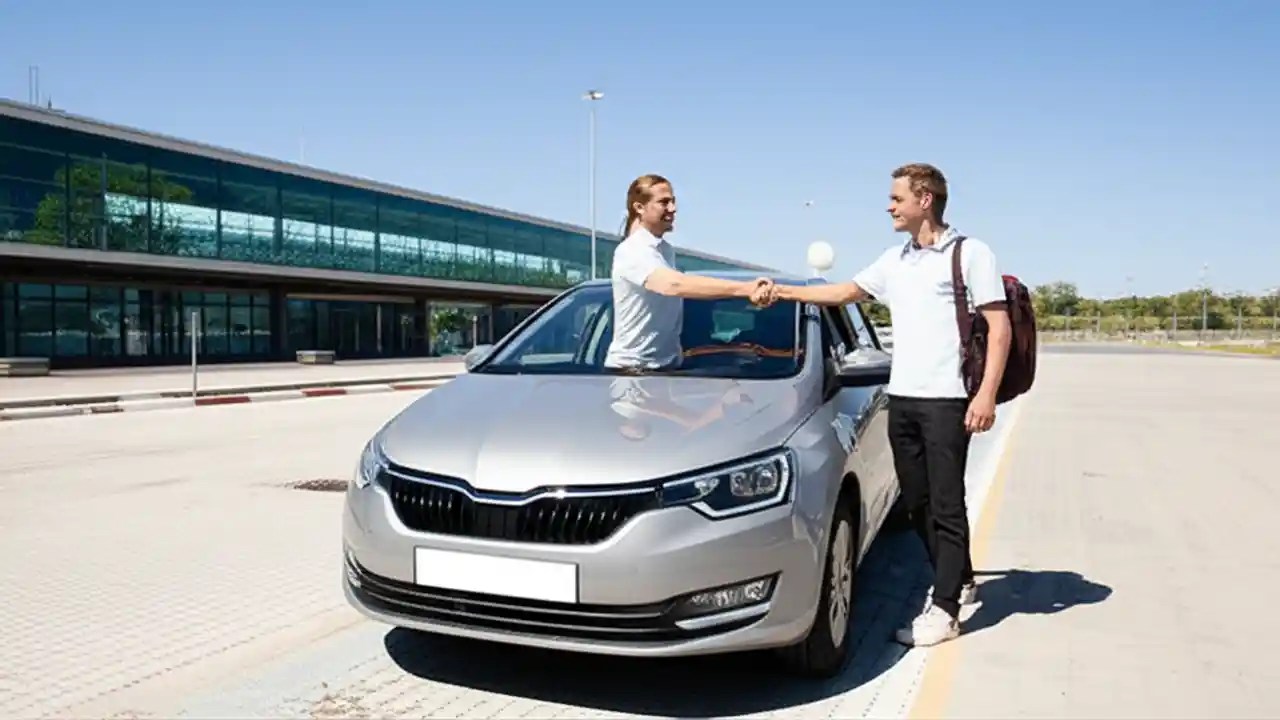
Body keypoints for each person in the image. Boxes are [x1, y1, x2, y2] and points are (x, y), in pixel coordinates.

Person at [755, 163, 1011, 646]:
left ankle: (946, 608)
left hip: (949, 401)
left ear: (925, 200)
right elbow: (841, 292)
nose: (889, 206)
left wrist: (986, 395)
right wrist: (784, 292)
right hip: (904, 399)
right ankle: (962, 576)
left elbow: (1000, 328)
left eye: (897, 198)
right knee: (915, 502)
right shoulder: (897, 260)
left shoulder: (970, 254)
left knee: (946, 503)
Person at [604, 174, 771, 371]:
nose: (673, 209)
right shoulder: (632, 251)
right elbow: (673, 285)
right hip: (633, 372)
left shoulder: (665, 250)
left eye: (673, 202)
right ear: (639, 208)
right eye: (664, 202)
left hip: (666, 369)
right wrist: (746, 289)